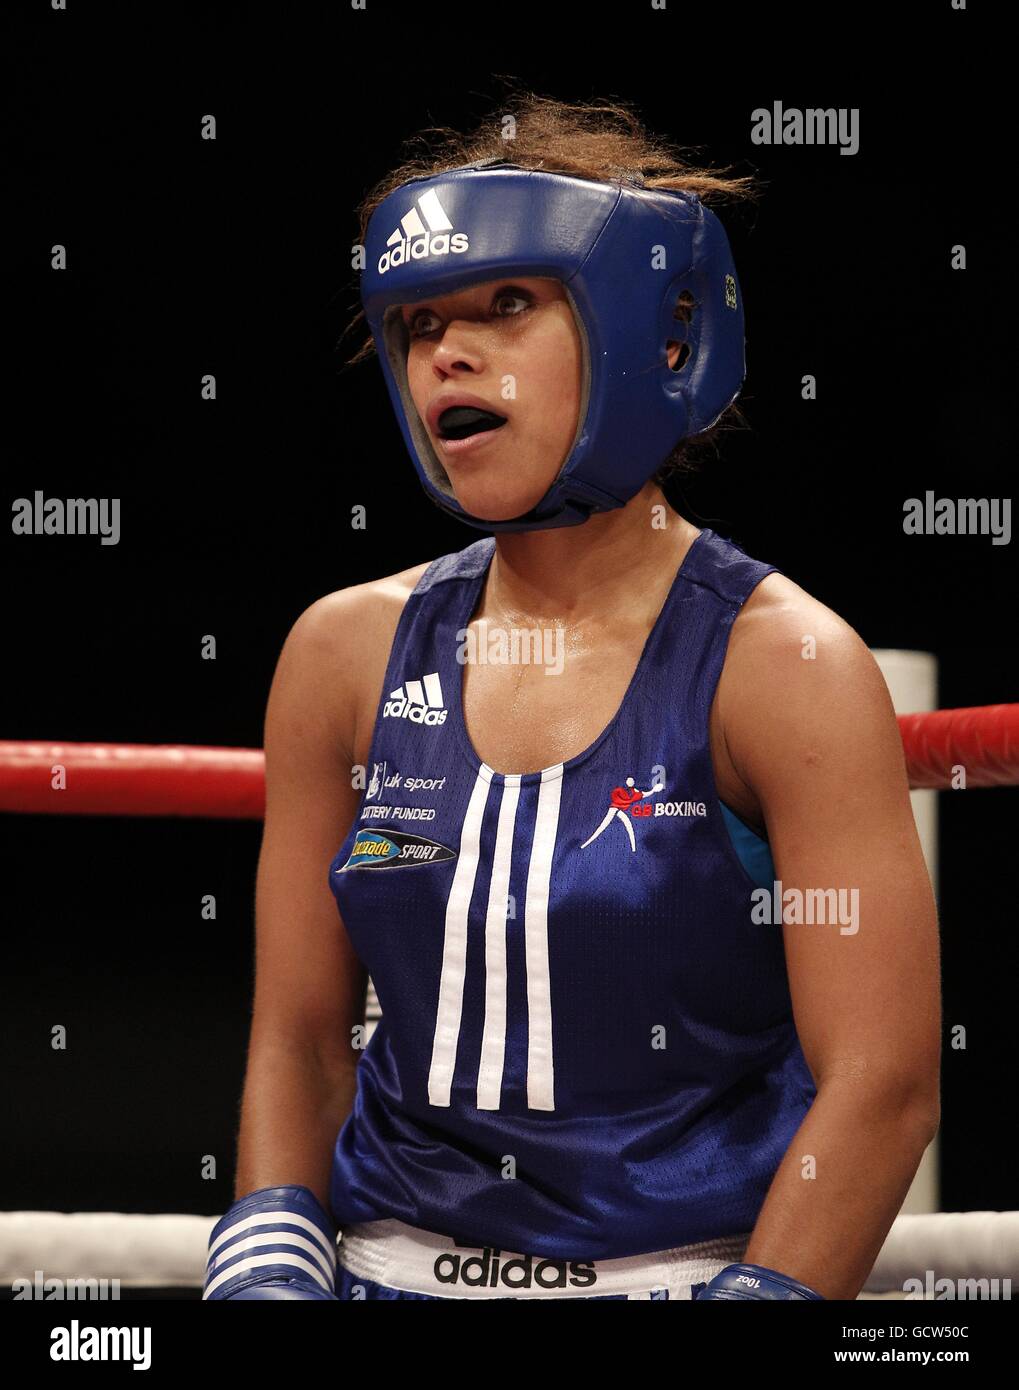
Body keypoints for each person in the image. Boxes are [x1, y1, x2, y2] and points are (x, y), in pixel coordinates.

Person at [204, 94, 940, 1302]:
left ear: (654, 336)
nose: (447, 353)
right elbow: (298, 1039)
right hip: (376, 1271)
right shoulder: (343, 653)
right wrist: (269, 1264)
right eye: (418, 322)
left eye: (506, 303)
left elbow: (883, 1081)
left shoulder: (782, 666)